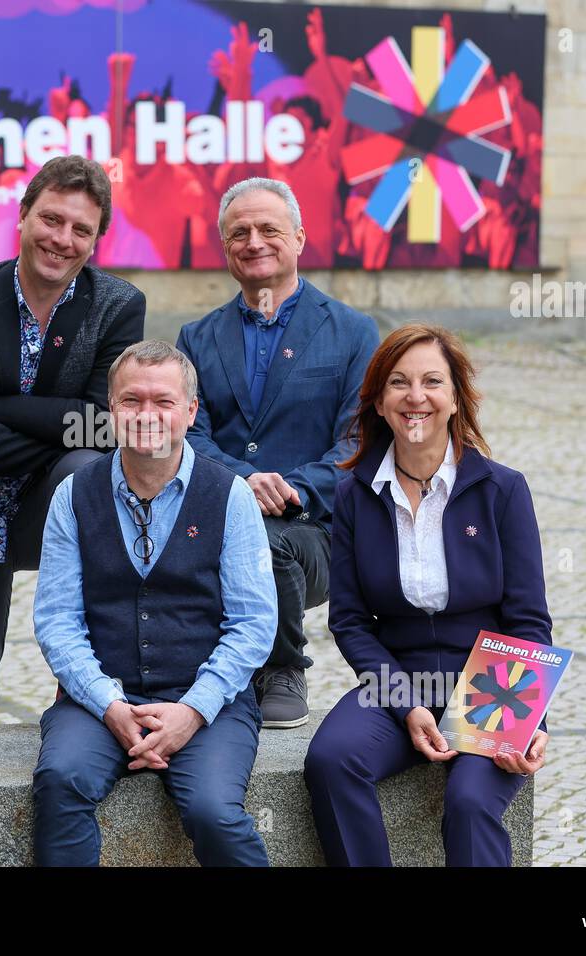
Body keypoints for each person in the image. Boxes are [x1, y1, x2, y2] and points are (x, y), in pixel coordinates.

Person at [304, 324, 552, 867]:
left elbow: (529, 620)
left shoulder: (502, 490)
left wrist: (528, 719)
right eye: (399, 382)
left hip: (492, 679)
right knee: (331, 759)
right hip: (398, 673)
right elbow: (348, 621)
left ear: (457, 398)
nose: (416, 397)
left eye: (432, 382)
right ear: (378, 400)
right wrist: (405, 702)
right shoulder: (353, 494)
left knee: (467, 801)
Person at [0, 155, 145, 726]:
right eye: (51, 219)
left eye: (81, 230)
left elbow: (102, 424)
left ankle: (86, 715)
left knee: (84, 470)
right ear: (22, 216)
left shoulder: (118, 306)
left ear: (96, 242)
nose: (62, 239)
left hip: (62, 503)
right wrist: (59, 429)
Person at [32, 341, 276, 867]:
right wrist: (109, 705)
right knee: (60, 782)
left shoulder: (231, 495)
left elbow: (253, 624)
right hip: (97, 700)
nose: (146, 415)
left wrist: (192, 711)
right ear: (112, 408)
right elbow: (56, 621)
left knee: (214, 810)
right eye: (131, 401)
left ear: (190, 411)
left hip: (208, 701)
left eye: (163, 402)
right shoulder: (72, 495)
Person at [176, 178, 379, 728]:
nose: (254, 241)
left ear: (299, 237)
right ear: (225, 248)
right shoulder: (196, 338)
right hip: (216, 514)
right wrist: (242, 479)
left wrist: (290, 489)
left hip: (314, 528)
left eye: (269, 229)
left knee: (266, 543)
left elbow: (360, 441)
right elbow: (187, 433)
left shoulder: (354, 333)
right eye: (238, 232)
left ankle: (282, 667)